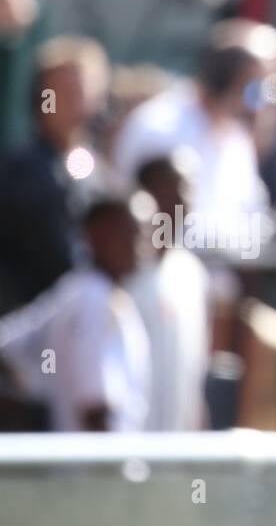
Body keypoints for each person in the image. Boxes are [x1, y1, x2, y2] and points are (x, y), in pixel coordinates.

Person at [113, 18, 276, 256]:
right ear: (225, 80)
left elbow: (253, 219)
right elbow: (160, 228)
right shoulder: (159, 127)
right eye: (255, 90)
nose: (262, 105)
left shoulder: (236, 140)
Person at [0, 193, 151, 431]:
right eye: (127, 233)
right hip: (97, 462)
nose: (139, 244)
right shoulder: (93, 300)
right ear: (96, 236)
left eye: (141, 233)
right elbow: (95, 406)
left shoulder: (82, 291)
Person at [0, 35, 111, 314]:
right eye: (62, 91)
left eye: (81, 89)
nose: (74, 100)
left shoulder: (94, 167)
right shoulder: (23, 171)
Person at [127, 151, 212, 430]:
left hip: (177, 452)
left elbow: (196, 371)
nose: (183, 203)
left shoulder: (193, 273)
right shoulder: (123, 276)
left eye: (187, 192)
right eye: (173, 190)